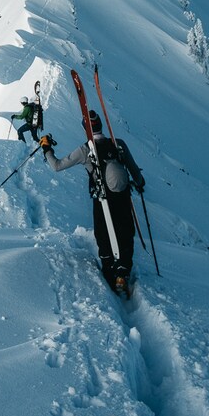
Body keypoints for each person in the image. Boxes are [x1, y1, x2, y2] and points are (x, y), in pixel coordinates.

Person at [40, 110, 145, 297]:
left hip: (102, 198)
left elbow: (57, 166)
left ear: (85, 129)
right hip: (122, 195)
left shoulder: (85, 150)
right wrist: (139, 182)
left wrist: (46, 148)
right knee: (125, 231)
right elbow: (134, 170)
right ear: (101, 126)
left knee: (103, 232)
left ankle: (108, 269)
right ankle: (123, 271)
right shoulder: (118, 144)